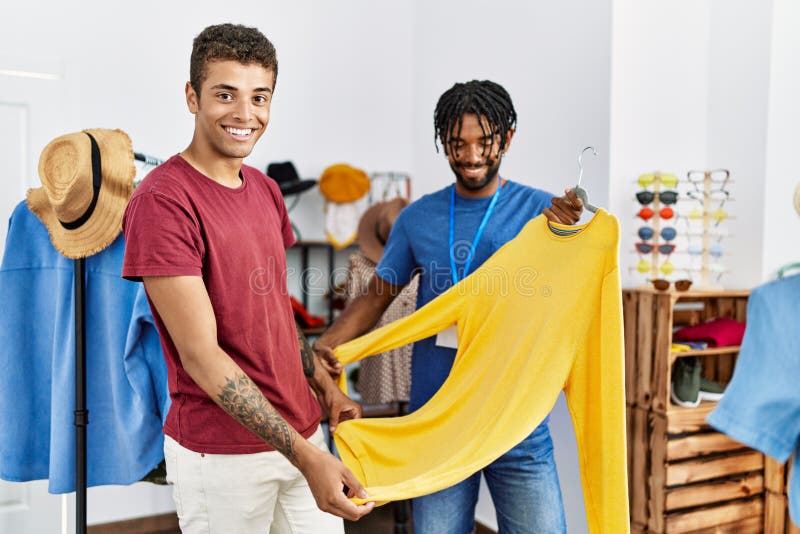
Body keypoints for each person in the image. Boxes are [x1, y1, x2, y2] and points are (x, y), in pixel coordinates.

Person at [121, 23, 373, 533]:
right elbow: (202, 356)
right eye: (225, 94)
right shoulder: (163, 202)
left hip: (303, 437)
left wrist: (326, 390)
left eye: (260, 97)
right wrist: (305, 456)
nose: (245, 114)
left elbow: (274, 310)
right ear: (192, 97)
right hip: (224, 455)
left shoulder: (264, 190)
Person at [314, 79, 583, 534]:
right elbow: (375, 299)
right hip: (436, 420)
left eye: (486, 142)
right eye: (458, 145)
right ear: (444, 144)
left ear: (508, 139)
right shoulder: (419, 218)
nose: (473, 156)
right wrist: (328, 345)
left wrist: (570, 240)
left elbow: (568, 300)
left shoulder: (544, 213)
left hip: (517, 418)